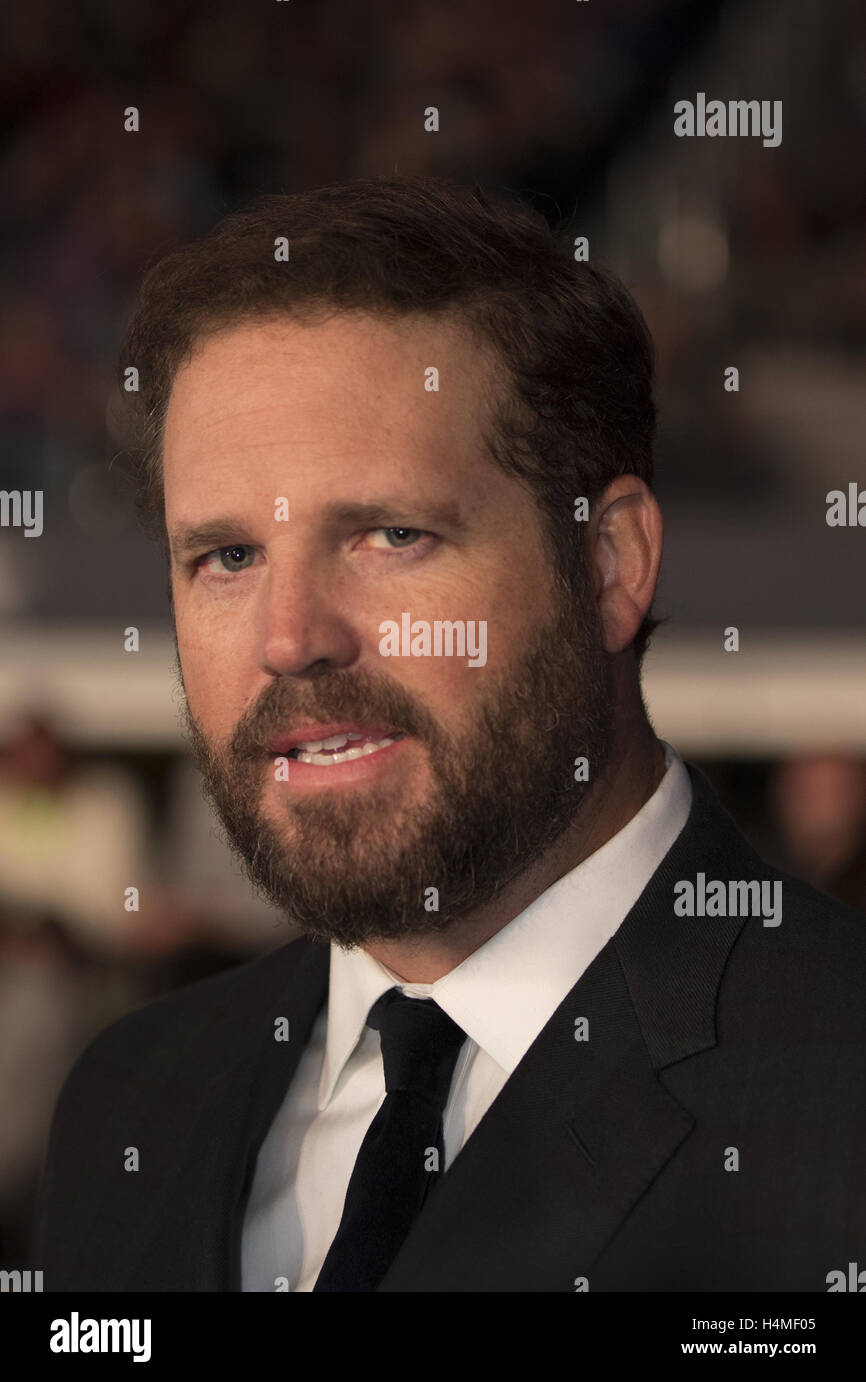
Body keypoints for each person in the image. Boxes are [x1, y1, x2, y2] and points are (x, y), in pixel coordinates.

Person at [33, 175, 866, 1292]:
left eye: (388, 534)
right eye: (226, 557)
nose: (290, 639)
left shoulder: (836, 1089)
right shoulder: (127, 1102)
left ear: (607, 563)